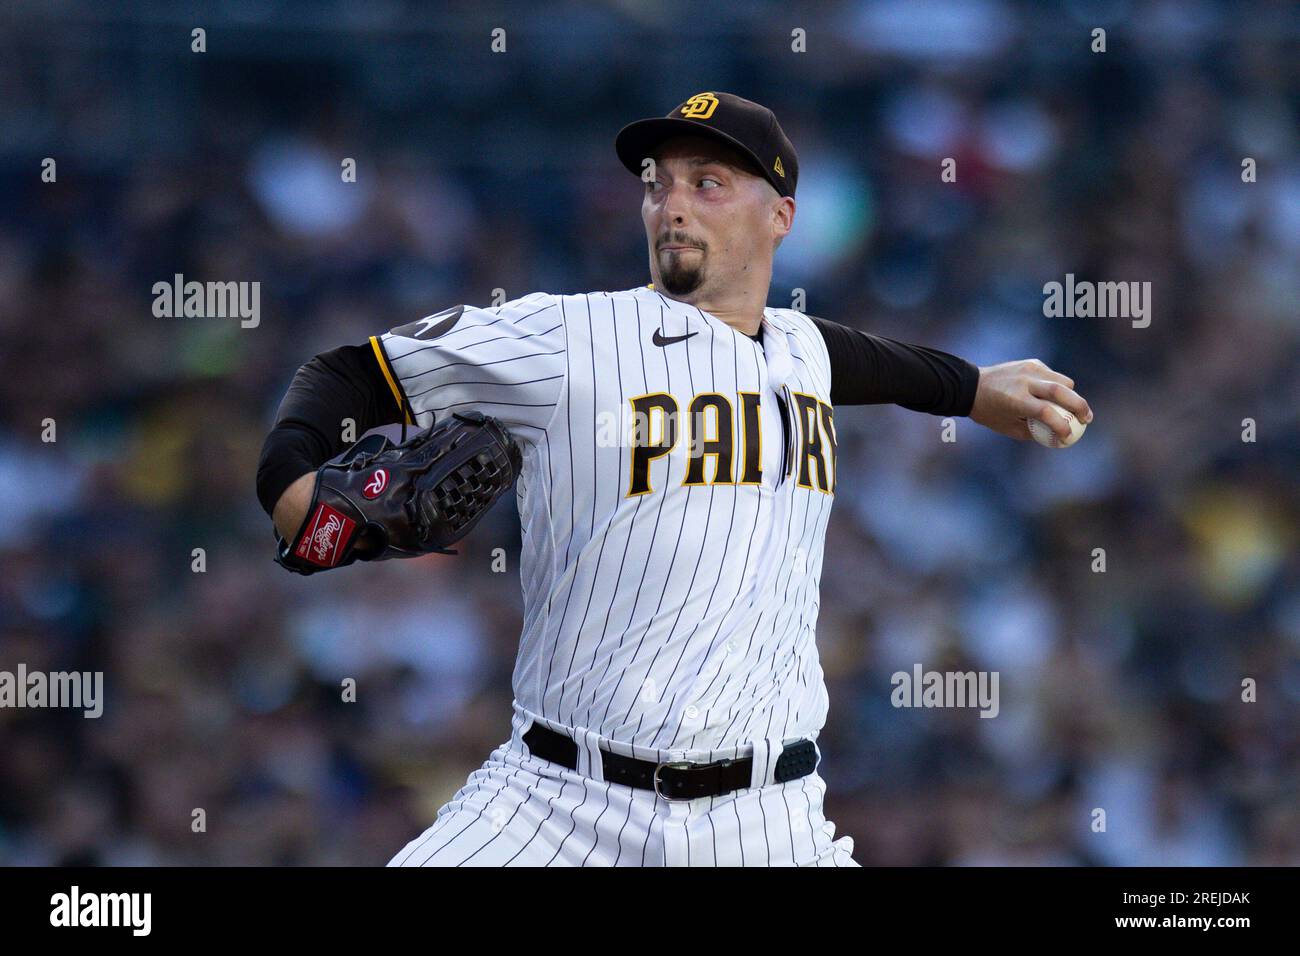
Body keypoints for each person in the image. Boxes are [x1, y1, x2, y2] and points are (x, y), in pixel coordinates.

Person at [256, 91, 1092, 866]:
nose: (673, 204)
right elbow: (350, 372)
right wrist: (293, 489)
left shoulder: (802, 349)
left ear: (781, 216)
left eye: (709, 183)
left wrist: (970, 388)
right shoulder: (571, 337)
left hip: (768, 819)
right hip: (557, 804)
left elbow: (866, 362)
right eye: (658, 185)